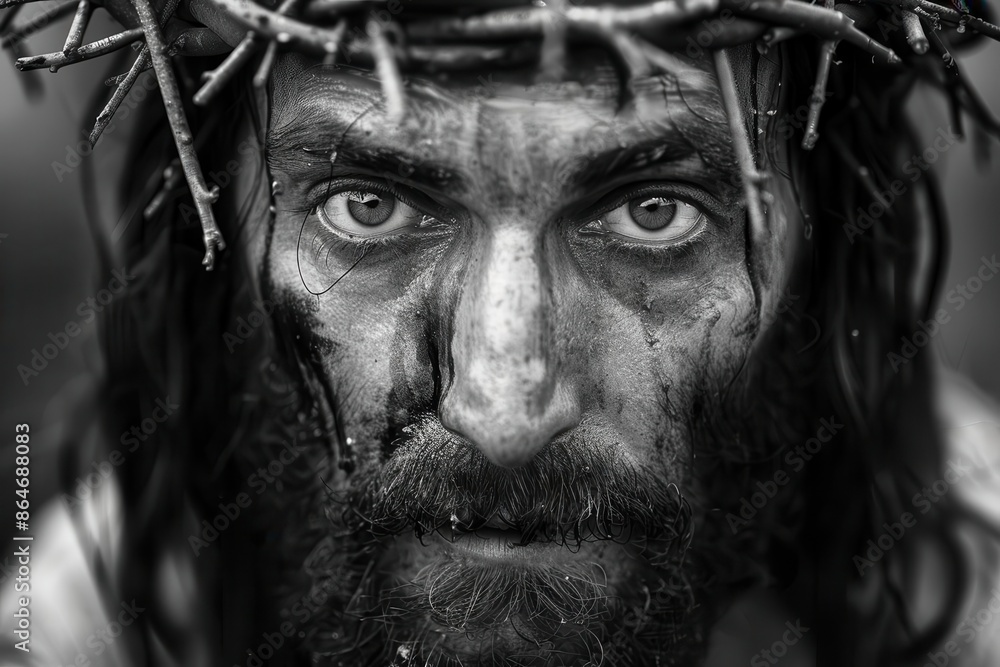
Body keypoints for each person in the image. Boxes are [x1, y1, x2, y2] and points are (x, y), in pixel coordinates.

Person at [2, 1, 1000, 666]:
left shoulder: (969, 609)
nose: (504, 405)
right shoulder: (95, 628)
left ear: (816, 260)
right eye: (369, 208)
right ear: (216, 252)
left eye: (656, 212)